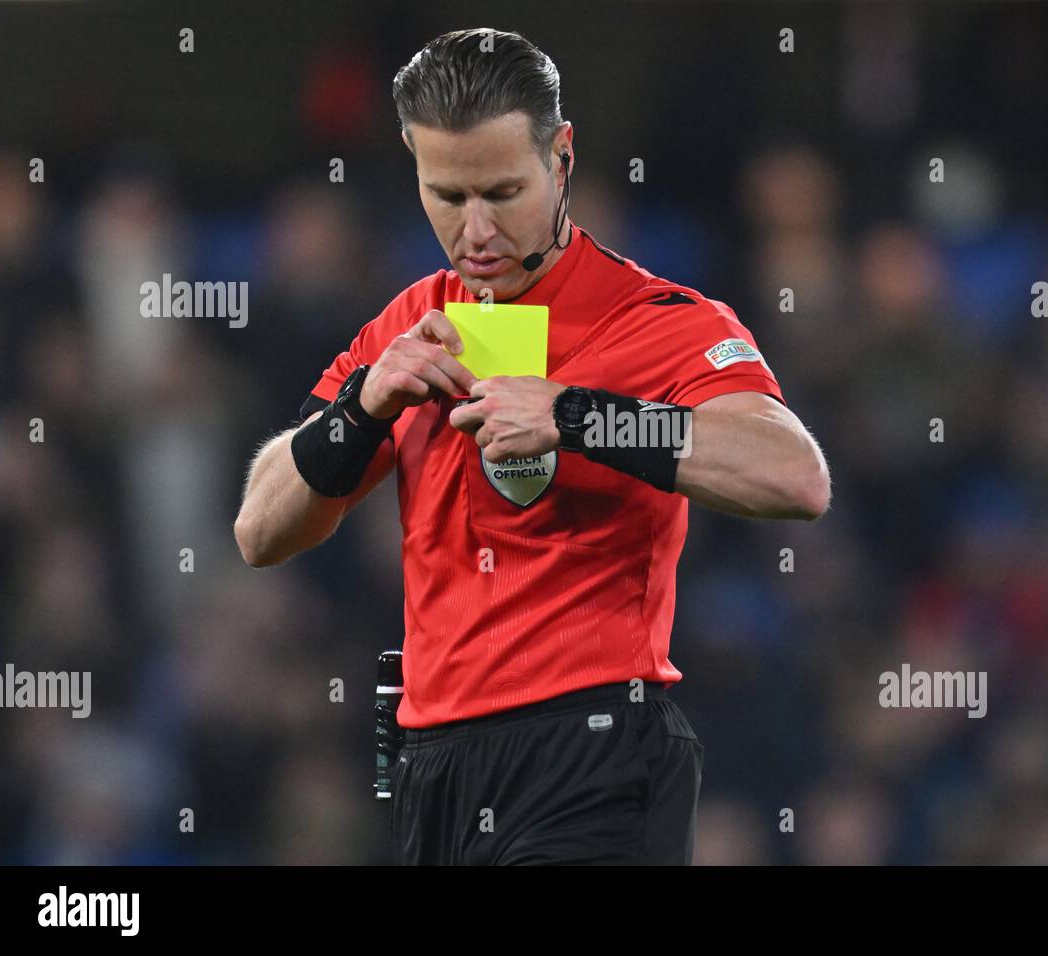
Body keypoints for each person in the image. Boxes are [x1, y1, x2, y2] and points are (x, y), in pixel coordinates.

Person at [232, 27, 830, 865]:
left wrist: (580, 416)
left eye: (503, 191)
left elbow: (794, 474)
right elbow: (262, 528)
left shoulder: (658, 319)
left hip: (595, 752)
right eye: (446, 195)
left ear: (562, 157)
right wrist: (363, 408)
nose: (476, 229)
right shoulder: (406, 327)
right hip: (429, 760)